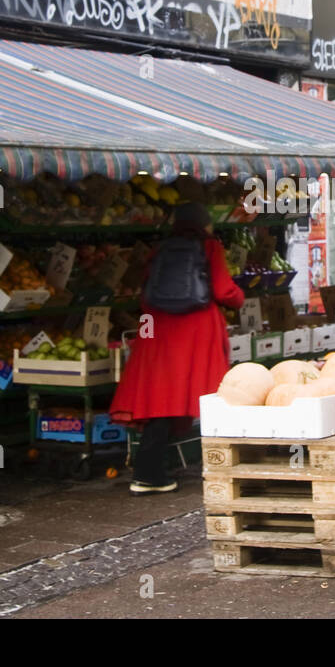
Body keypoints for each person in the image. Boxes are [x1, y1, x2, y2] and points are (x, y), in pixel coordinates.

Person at [110, 201, 244, 494]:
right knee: (213, 395)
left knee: (161, 396)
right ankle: (224, 463)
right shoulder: (210, 246)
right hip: (197, 329)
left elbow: (146, 294)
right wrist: (239, 297)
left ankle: (149, 471)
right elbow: (224, 291)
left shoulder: (161, 248)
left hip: (157, 326)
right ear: (204, 222)